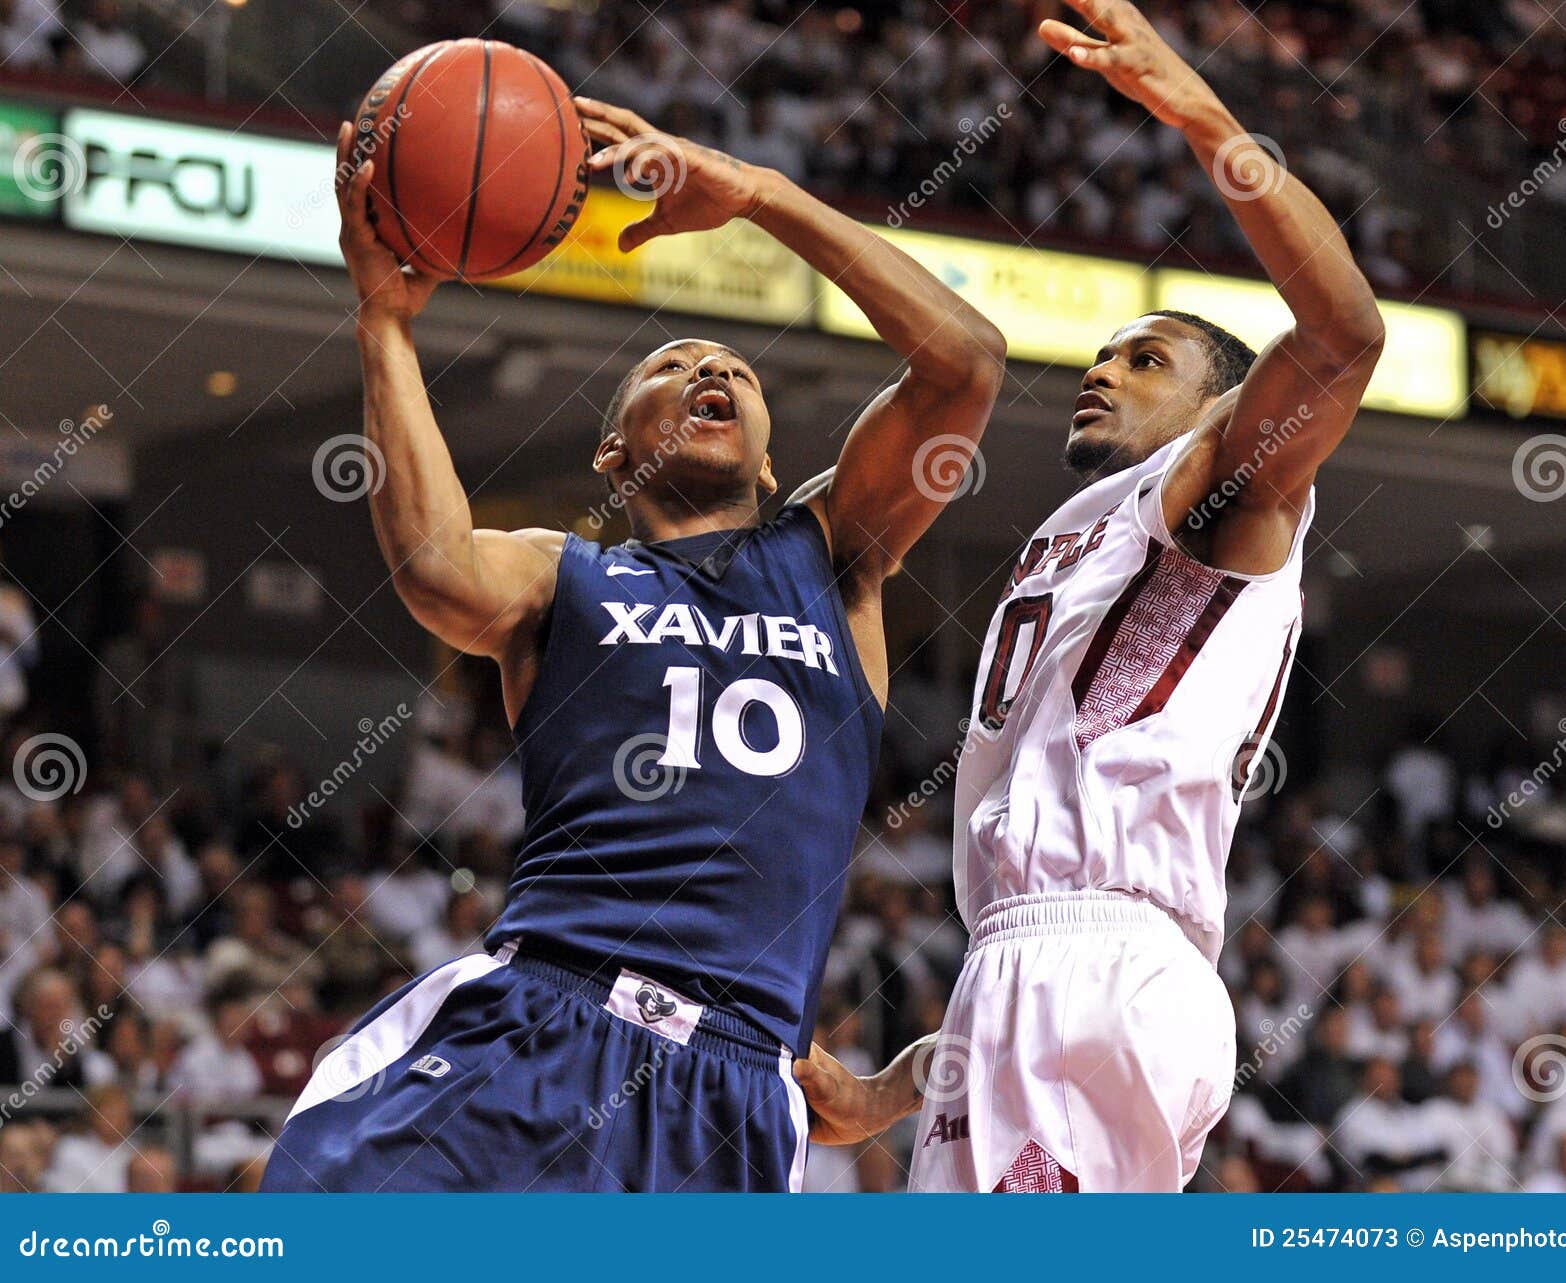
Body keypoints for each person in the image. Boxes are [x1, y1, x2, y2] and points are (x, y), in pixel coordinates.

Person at [262, 98, 1004, 1192]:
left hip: (736, 1088)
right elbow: (435, 566)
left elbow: (966, 364)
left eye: (738, 372)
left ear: (768, 463)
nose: (714, 372)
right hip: (538, 1026)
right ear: (614, 452)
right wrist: (384, 320)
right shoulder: (564, 574)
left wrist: (760, 194)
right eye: (674, 366)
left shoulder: (834, 556)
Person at [795, 0, 1384, 1193]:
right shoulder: (1078, 533)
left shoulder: (1220, 497)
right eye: (1101, 353)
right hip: (1023, 977)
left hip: (1104, 969)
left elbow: (1343, 332)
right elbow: (1034, 915)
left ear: (1219, 408)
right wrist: (892, 1089)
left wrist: (1194, 108)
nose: (1103, 368)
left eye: (1145, 357)